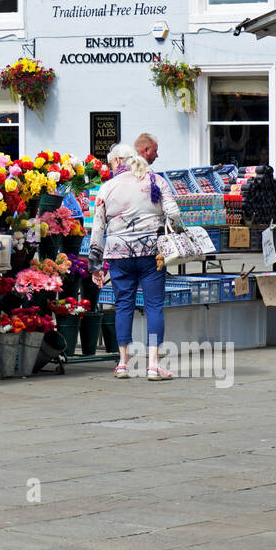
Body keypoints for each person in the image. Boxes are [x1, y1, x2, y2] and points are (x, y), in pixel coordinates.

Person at [88, 142, 184, 380]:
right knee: (153, 306)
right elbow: (173, 214)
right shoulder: (156, 181)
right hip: (152, 254)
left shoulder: (107, 188)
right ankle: (153, 365)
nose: (110, 168)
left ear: (118, 161)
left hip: (119, 255)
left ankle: (122, 363)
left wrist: (95, 264)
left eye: (111, 163)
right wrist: (174, 233)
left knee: (123, 305)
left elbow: (98, 228)